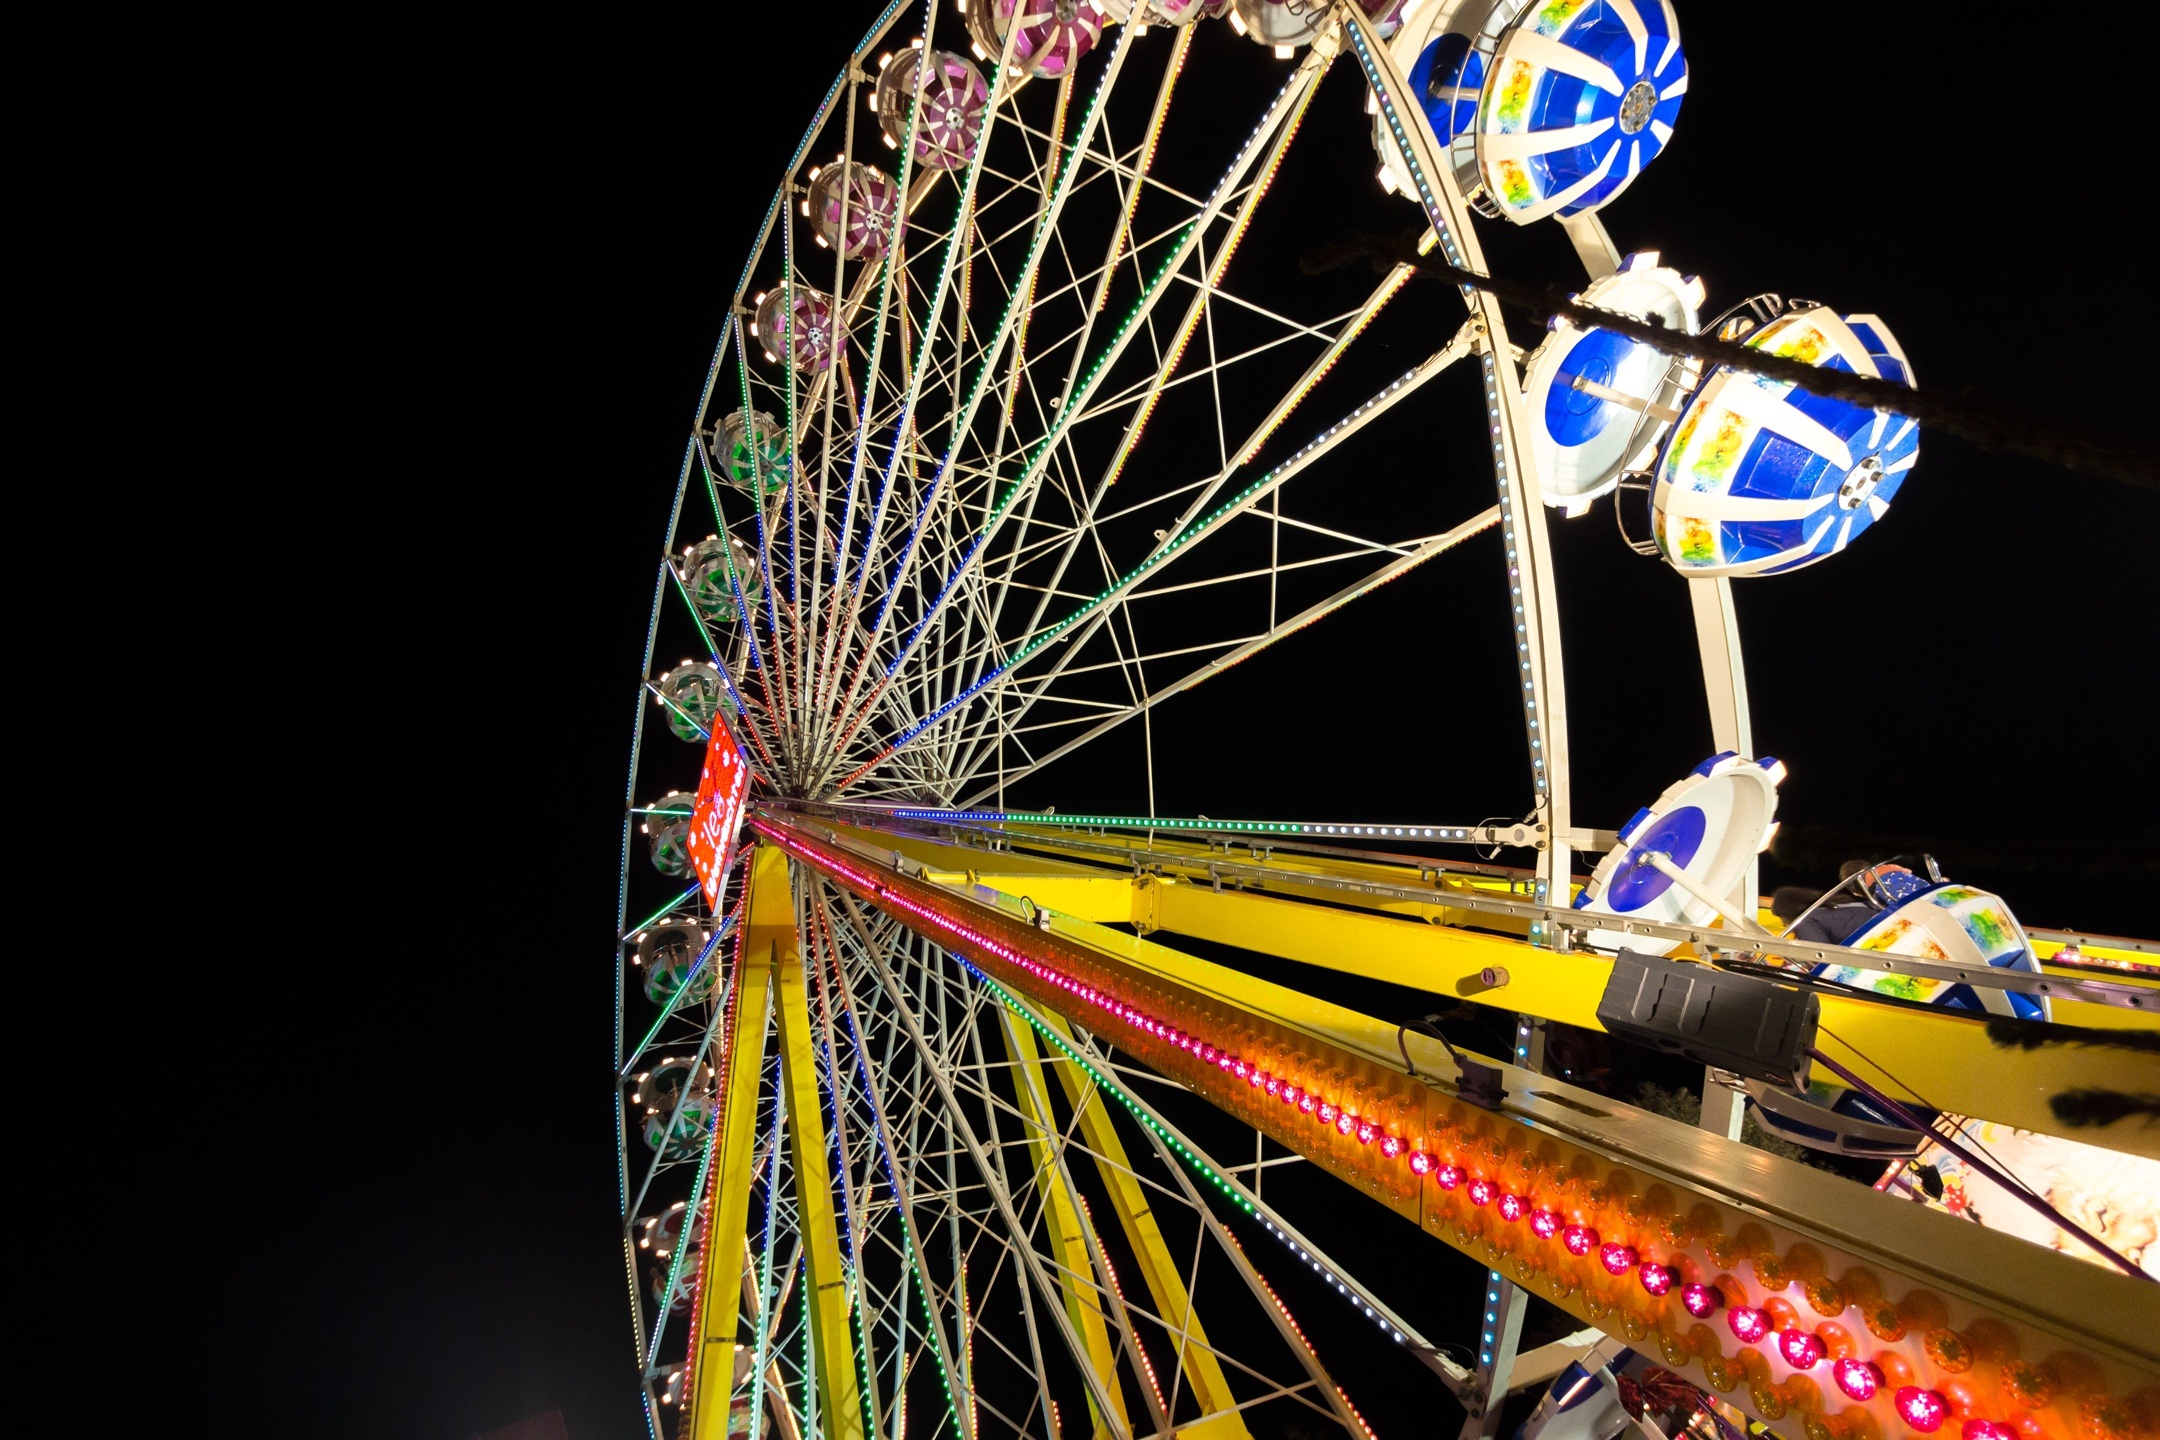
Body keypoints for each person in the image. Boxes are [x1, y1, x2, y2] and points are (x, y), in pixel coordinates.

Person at [1769, 859, 1919, 944]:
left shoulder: (1806, 922)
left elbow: (1821, 956)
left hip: (1889, 935)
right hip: (1901, 921)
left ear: (1787, 913)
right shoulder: (1837, 902)